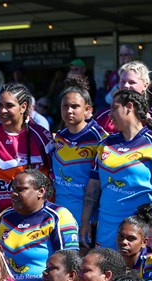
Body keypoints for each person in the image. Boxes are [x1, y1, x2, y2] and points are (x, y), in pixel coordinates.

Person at [83, 90, 152, 250]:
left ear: (129, 107)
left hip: (140, 230)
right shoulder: (105, 144)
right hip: (106, 230)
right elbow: (93, 190)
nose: (109, 114)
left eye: (114, 108)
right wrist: (85, 222)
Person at [0, 169, 79, 281]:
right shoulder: (4, 217)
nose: (14, 194)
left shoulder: (59, 216)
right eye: (13, 190)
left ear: (40, 191)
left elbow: (70, 261)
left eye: (21, 189)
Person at [0, 83, 54, 213]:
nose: (3, 111)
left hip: (39, 215)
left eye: (9, 105)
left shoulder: (40, 136)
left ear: (23, 107)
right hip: (4, 214)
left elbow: (56, 177)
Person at [53, 75, 107, 228]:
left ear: (87, 109)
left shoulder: (101, 138)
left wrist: (88, 220)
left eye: (75, 106)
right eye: (65, 106)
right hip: (59, 214)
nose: (69, 111)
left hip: (88, 219)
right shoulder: (59, 137)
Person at [95, 61, 151, 134]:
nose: (126, 85)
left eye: (132, 82)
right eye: (123, 81)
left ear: (145, 85)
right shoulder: (104, 117)